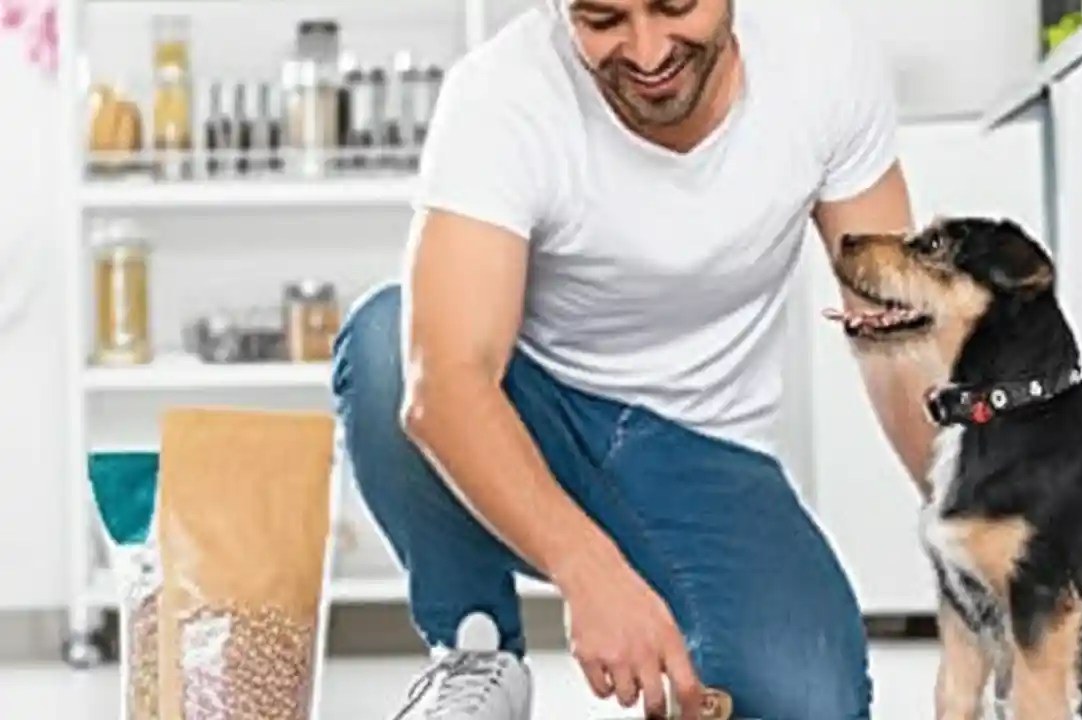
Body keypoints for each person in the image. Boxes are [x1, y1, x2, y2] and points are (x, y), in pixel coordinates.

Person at [330, 0, 935, 717]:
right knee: (387, 341)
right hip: (538, 422)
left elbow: (894, 330)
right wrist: (588, 570)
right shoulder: (502, 94)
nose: (647, 54)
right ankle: (476, 648)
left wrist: (973, 527)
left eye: (675, 6)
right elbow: (446, 385)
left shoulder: (823, 62)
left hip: (710, 455)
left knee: (808, 703)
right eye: (602, 19)